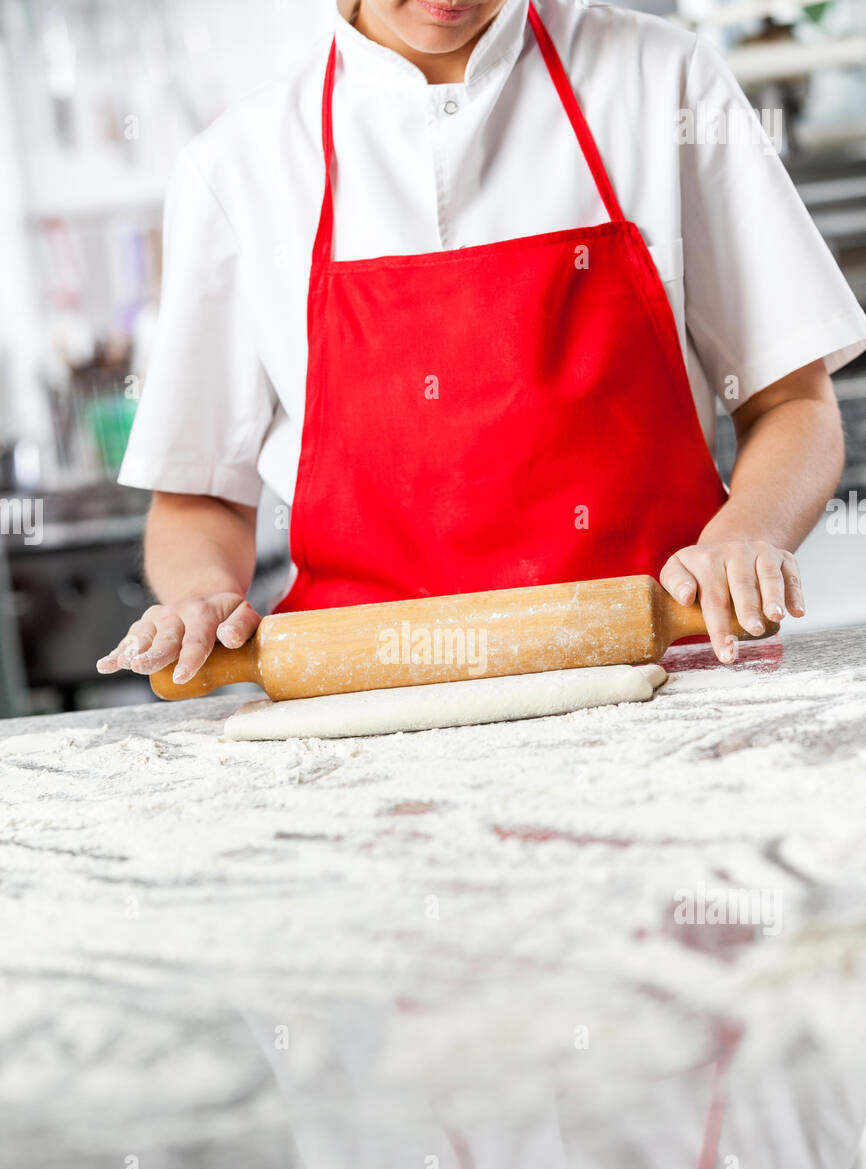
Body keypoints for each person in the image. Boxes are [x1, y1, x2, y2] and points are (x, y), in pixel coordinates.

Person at [99, 0, 866, 686]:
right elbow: (200, 494)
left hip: (673, 676)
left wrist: (745, 536)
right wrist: (200, 597)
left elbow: (792, 402)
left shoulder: (664, 79)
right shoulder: (238, 165)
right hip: (373, 717)